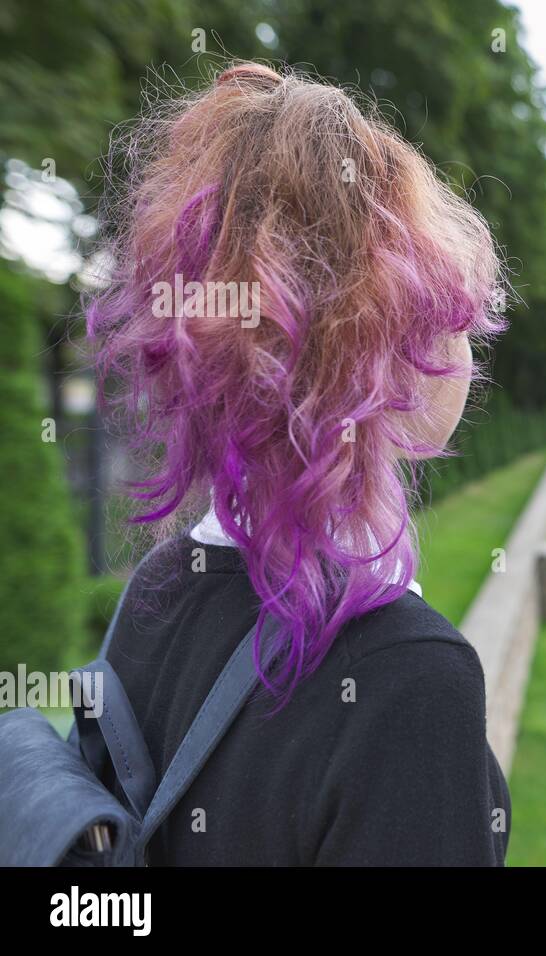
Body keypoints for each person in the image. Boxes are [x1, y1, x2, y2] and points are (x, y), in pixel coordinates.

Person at [84, 61, 509, 865]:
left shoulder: (160, 587)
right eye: (444, 311)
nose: (467, 344)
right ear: (376, 359)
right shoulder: (409, 680)